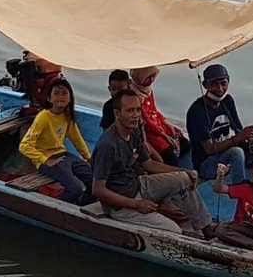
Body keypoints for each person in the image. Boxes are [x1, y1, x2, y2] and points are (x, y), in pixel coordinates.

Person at [90, 90, 216, 237]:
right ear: (117, 114)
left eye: (138, 110)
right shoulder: (108, 145)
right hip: (120, 205)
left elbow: (148, 164)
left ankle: (206, 228)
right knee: (173, 230)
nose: (136, 115)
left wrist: (183, 171)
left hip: (137, 185)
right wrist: (137, 204)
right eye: (130, 111)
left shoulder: (134, 131)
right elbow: (98, 190)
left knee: (185, 178)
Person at [185, 63, 253, 183]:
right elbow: (209, 149)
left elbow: (238, 129)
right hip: (207, 164)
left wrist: (248, 137)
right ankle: (241, 194)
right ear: (205, 85)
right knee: (236, 152)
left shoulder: (227, 100)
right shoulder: (197, 111)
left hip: (229, 151)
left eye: (223, 83)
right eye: (214, 84)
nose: (220, 89)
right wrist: (236, 139)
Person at [19, 78, 94, 205]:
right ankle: (58, 207)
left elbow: (77, 139)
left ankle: (82, 206)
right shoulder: (44, 117)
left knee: (94, 181)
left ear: (70, 98)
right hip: (47, 160)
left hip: (63, 155)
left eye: (64, 93)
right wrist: (45, 160)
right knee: (75, 189)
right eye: (56, 93)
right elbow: (24, 145)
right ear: (49, 98)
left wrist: (88, 157)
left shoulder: (67, 116)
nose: (60, 97)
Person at [128, 66, 191, 167]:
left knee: (185, 144)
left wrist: (168, 124)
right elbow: (146, 121)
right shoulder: (135, 97)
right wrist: (164, 135)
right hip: (150, 133)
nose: (151, 80)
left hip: (159, 126)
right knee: (170, 156)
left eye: (153, 77)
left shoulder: (148, 91)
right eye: (148, 77)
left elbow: (155, 111)